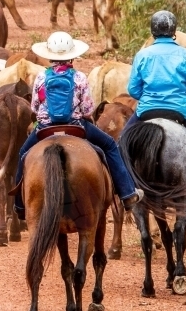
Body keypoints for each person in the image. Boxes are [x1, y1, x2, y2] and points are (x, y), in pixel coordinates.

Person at [11, 32, 143, 219]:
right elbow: (88, 108)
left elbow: (35, 106)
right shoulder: (80, 77)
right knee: (110, 146)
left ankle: (19, 206)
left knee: (23, 154)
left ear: (50, 56)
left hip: (45, 128)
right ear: (71, 55)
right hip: (75, 126)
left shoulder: (41, 78)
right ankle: (128, 194)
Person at [121, 11, 186, 209]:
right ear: (174, 31)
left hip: (147, 111)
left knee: (121, 143)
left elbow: (132, 89)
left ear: (153, 31)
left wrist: (149, 98)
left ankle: (126, 189)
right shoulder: (185, 55)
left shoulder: (143, 55)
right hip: (180, 111)